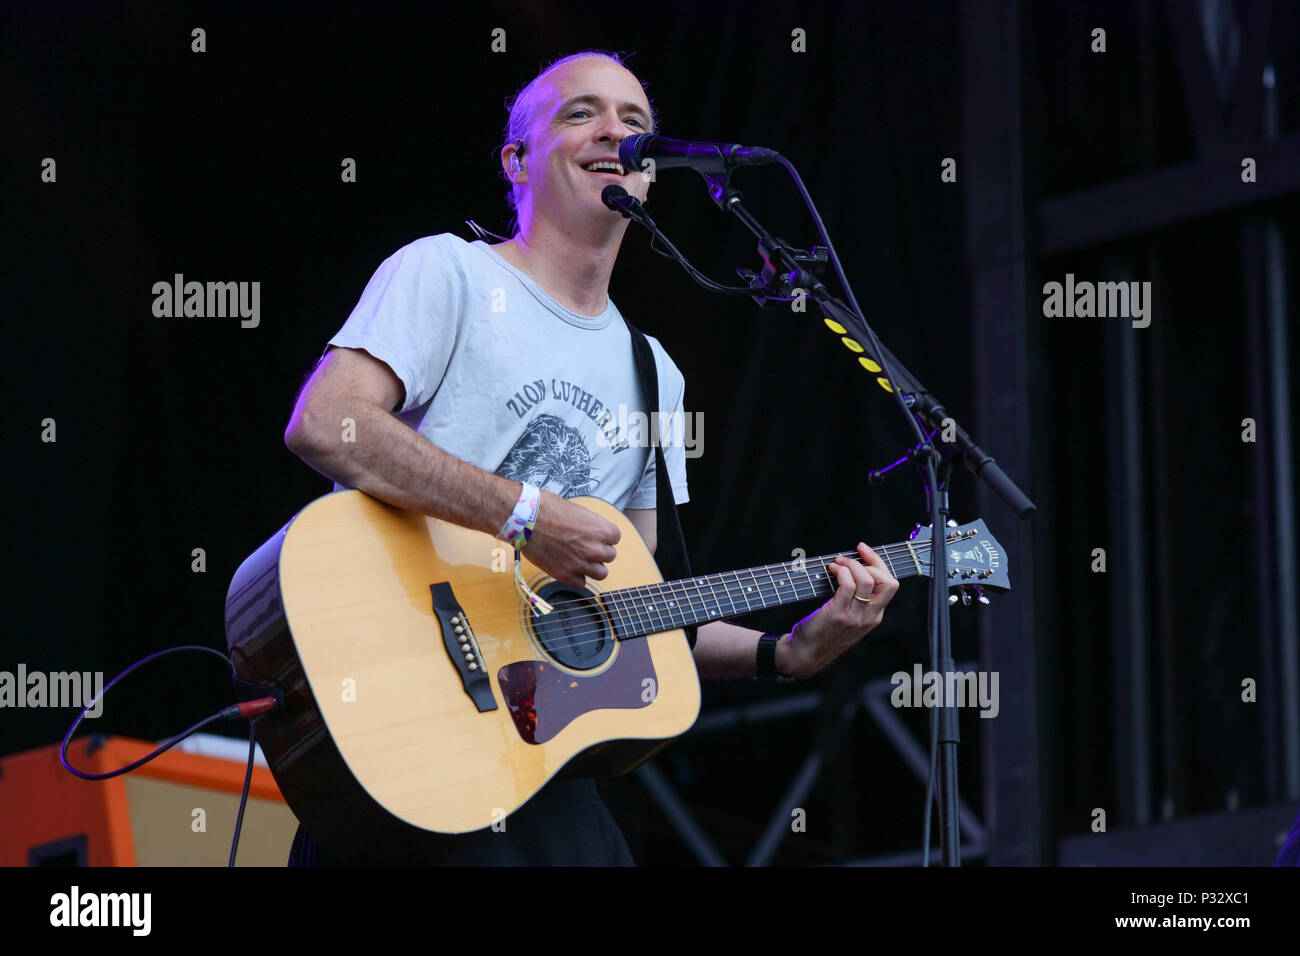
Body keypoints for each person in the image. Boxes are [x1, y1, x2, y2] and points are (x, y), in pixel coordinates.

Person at [281, 49, 899, 865]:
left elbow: (639, 608)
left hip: (537, 761)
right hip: (406, 718)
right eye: (582, 113)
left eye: (637, 123)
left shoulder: (655, 374)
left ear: (650, 176)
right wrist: (525, 515)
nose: (616, 132)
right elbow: (327, 424)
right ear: (517, 161)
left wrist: (783, 654)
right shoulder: (447, 274)